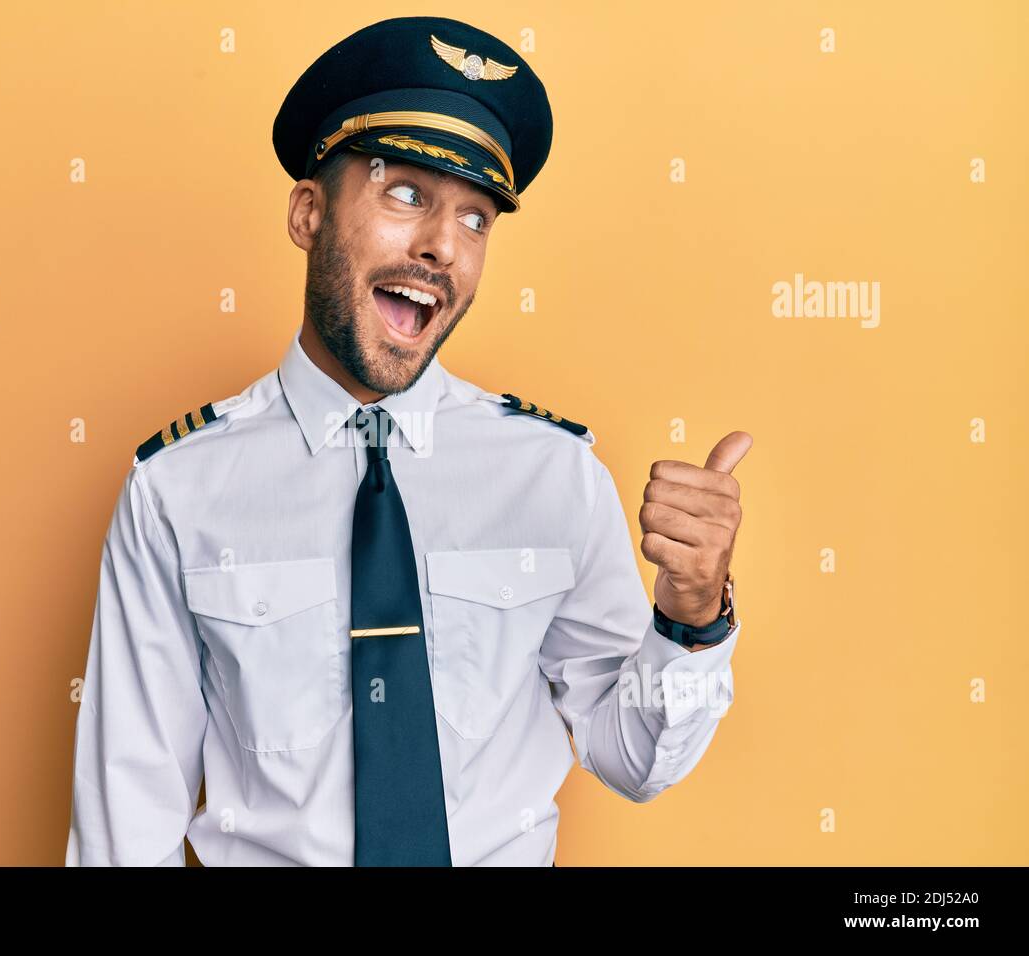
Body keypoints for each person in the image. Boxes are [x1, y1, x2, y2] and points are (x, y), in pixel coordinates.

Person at [65, 15, 751, 867]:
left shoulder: (556, 475)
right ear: (308, 212)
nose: (440, 247)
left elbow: (634, 758)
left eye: (475, 220)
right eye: (405, 195)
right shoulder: (177, 489)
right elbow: (124, 828)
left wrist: (690, 621)